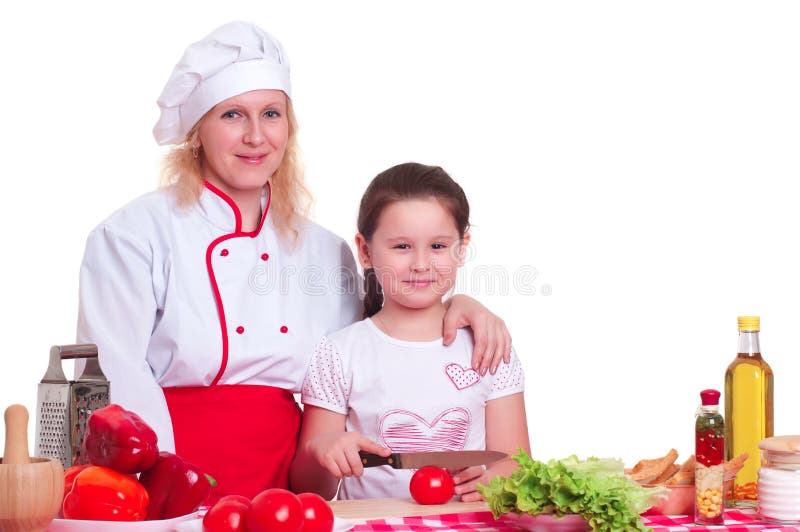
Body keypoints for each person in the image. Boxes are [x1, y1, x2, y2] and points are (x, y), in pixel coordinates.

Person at [76, 22, 512, 499]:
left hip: (293, 487)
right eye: (232, 116)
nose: (256, 136)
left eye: (271, 113)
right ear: (198, 131)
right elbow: (112, 378)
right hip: (167, 474)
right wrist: (153, 488)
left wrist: (462, 307)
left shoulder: (326, 250)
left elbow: (384, 342)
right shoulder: (134, 235)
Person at [290, 162, 530, 502]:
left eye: (437, 246)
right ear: (365, 251)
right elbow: (308, 489)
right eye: (402, 246)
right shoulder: (339, 352)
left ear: (462, 248)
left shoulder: (488, 345)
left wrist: (492, 481)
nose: (420, 264)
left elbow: (516, 466)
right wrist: (322, 452)